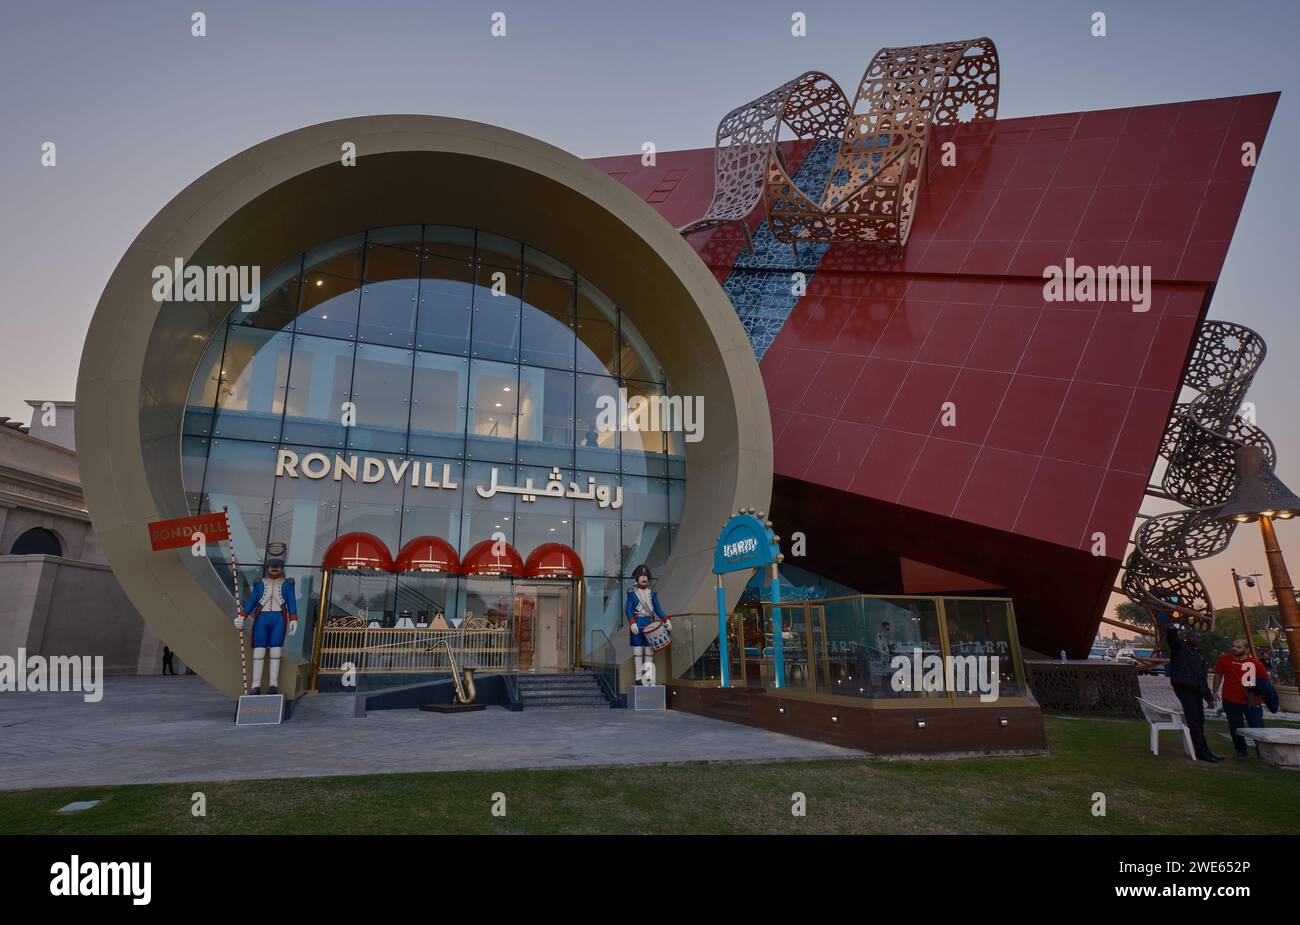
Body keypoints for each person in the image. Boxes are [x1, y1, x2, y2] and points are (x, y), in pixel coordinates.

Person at [234, 545, 297, 695]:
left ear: (282, 568)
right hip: (261, 618)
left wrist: (294, 619)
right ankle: (255, 685)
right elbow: (251, 602)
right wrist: (242, 616)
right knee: (259, 651)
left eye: (278, 567)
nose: (274, 569)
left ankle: (273, 684)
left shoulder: (288, 585)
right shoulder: (259, 584)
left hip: (278, 619)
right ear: (267, 567)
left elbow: (292, 602)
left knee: (276, 651)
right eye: (272, 566)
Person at [1166, 621, 1220, 762]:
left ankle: (1204, 749)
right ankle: (1201, 750)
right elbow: (1172, 639)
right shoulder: (1180, 648)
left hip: (1195, 689)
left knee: (1199, 720)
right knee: (1194, 720)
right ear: (1187, 638)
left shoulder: (1197, 655)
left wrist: (1208, 697)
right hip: (1185, 688)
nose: (1196, 639)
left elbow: (1201, 678)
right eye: (1194, 637)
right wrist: (1172, 629)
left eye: (1198, 637)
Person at [1213, 638, 1269, 758]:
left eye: (1238, 647)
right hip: (1230, 698)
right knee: (1235, 726)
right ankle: (1241, 751)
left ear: (1245, 649)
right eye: (1233, 646)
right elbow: (1218, 675)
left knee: (1257, 726)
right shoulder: (1224, 659)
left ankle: (1263, 752)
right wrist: (1214, 691)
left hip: (1251, 699)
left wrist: (1265, 698)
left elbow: (1266, 683)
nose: (1234, 648)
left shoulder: (1256, 664)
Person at [625, 564, 668, 686]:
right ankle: (638, 676)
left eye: (646, 576)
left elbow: (658, 609)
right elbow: (628, 609)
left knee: (649, 651)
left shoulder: (652, 593)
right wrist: (632, 622)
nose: (644, 578)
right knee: (638, 650)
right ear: (637, 578)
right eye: (641, 576)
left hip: (650, 623)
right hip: (638, 624)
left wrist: (666, 620)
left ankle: (648, 676)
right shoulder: (632, 593)